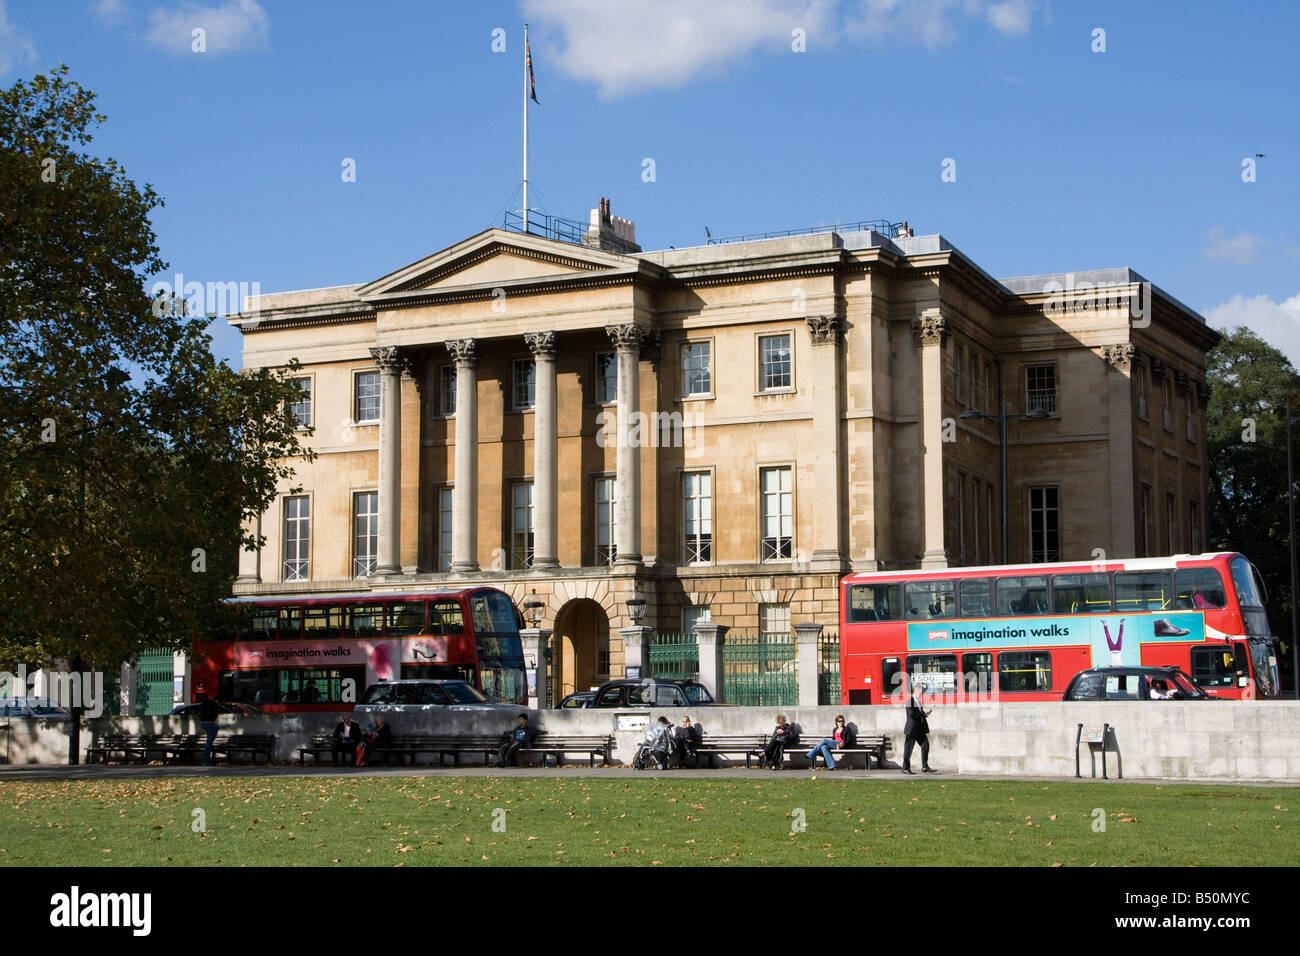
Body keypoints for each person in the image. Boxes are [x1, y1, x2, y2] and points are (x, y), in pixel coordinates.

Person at [902, 683, 935, 774]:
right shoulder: (910, 701)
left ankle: (925, 766)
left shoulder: (918, 702)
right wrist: (923, 714)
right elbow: (912, 714)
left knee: (925, 745)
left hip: (919, 729)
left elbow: (919, 713)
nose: (923, 694)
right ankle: (905, 767)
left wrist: (925, 714)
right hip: (912, 729)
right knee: (908, 749)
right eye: (922, 692)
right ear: (917, 691)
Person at [197, 694, 220, 767]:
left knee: (216, 728)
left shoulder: (205, 704)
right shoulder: (213, 705)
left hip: (204, 723)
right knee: (208, 744)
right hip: (210, 723)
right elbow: (215, 715)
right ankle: (206, 761)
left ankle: (210, 746)